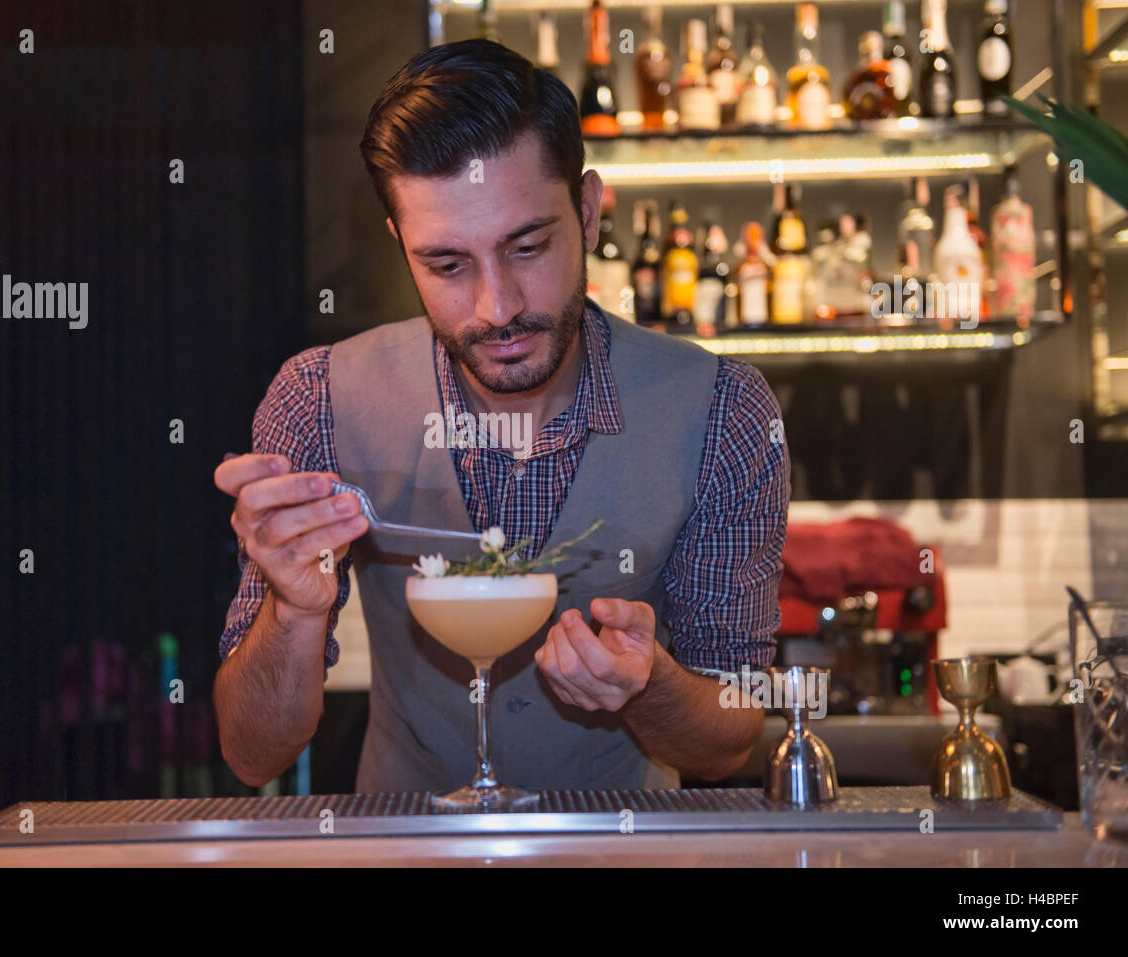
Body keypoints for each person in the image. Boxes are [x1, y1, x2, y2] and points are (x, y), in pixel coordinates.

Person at [213, 39, 790, 793]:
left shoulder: (723, 412)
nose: (498, 307)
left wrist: (648, 684)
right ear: (401, 244)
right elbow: (254, 754)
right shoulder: (317, 399)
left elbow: (729, 740)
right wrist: (293, 609)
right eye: (447, 265)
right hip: (410, 849)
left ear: (586, 209)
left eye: (527, 245)